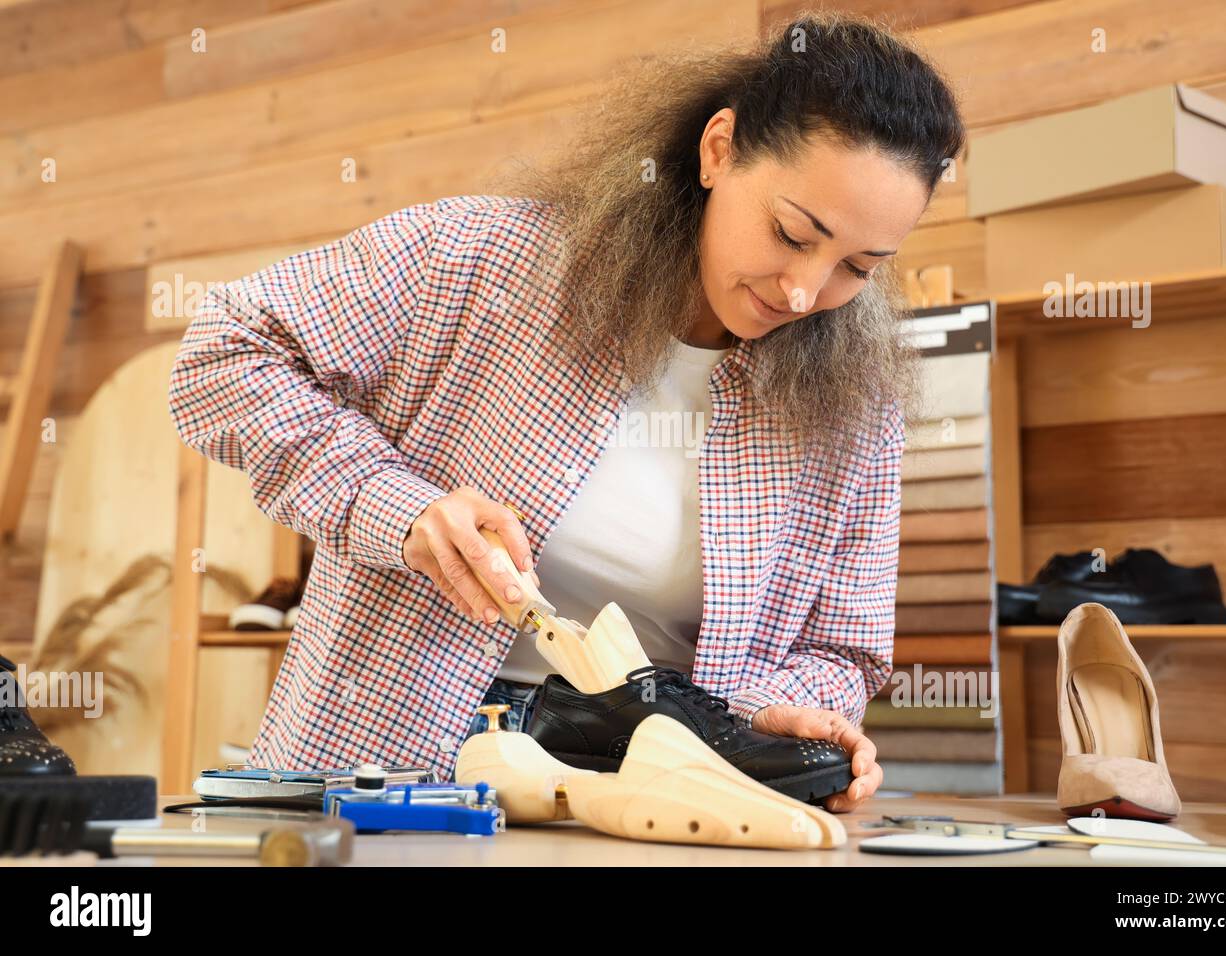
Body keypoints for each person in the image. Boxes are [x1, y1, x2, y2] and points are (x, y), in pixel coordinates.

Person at [168, 12, 965, 813]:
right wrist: (400, 510)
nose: (803, 291)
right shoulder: (479, 259)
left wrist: (771, 713)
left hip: (645, 811)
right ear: (719, 150)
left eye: (857, 267)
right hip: (377, 781)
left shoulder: (855, 414)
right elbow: (224, 352)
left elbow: (841, 650)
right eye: (792, 232)